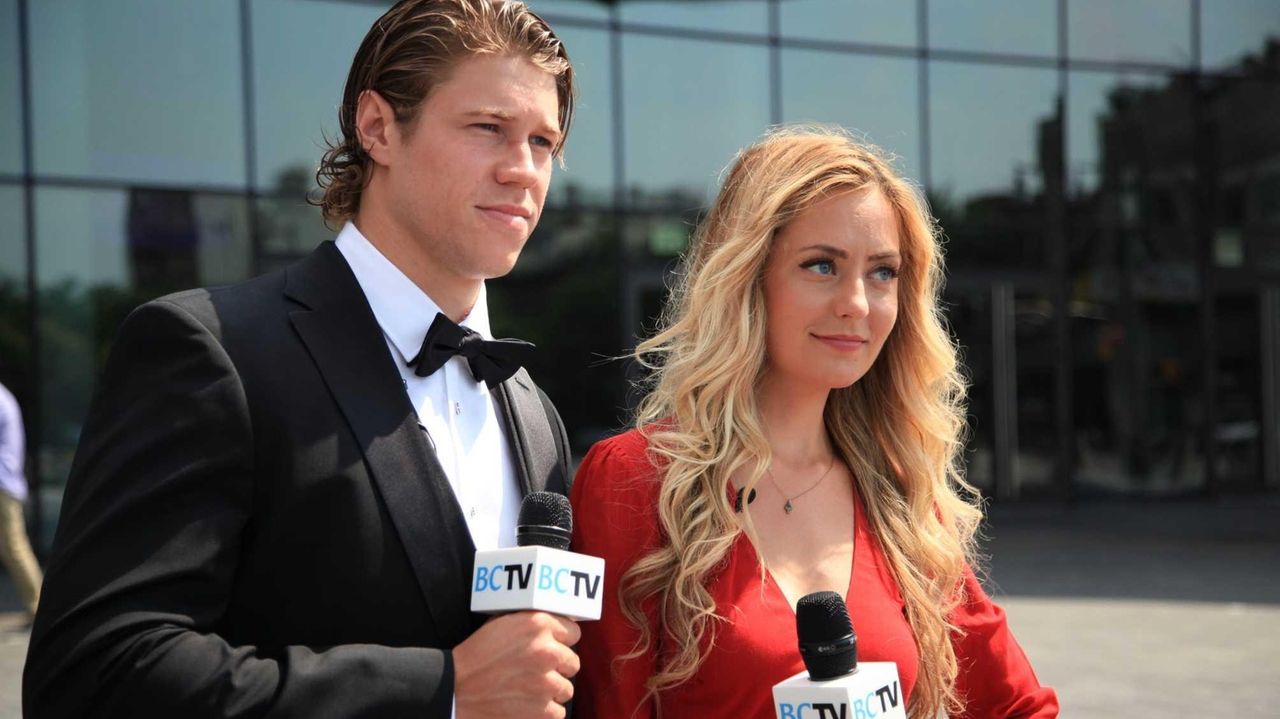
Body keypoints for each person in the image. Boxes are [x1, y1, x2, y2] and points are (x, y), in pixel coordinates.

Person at [25, 2, 582, 717]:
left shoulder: (535, 412)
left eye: (543, 141)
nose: (523, 171)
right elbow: (93, 672)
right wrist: (440, 691)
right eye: (488, 129)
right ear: (377, 126)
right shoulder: (208, 349)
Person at [570, 127, 1059, 718]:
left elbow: (1016, 706)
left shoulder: (897, 494)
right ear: (748, 278)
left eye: (883, 272)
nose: (856, 301)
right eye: (822, 265)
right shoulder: (636, 480)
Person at [0, 381, 42, 622]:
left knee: (14, 546)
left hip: (2, 484)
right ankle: (40, 605)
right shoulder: (5, 396)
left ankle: (40, 605)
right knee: (13, 546)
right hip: (7, 483)